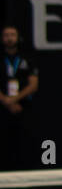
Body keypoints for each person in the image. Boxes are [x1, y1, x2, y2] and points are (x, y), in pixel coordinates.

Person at [1, 25, 37, 171]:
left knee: (24, 146)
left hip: (23, 108)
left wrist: (14, 100)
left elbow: (33, 85)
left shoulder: (27, 58)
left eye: (12, 35)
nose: (9, 38)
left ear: (17, 37)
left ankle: (26, 186)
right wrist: (6, 101)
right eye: (6, 35)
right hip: (3, 109)